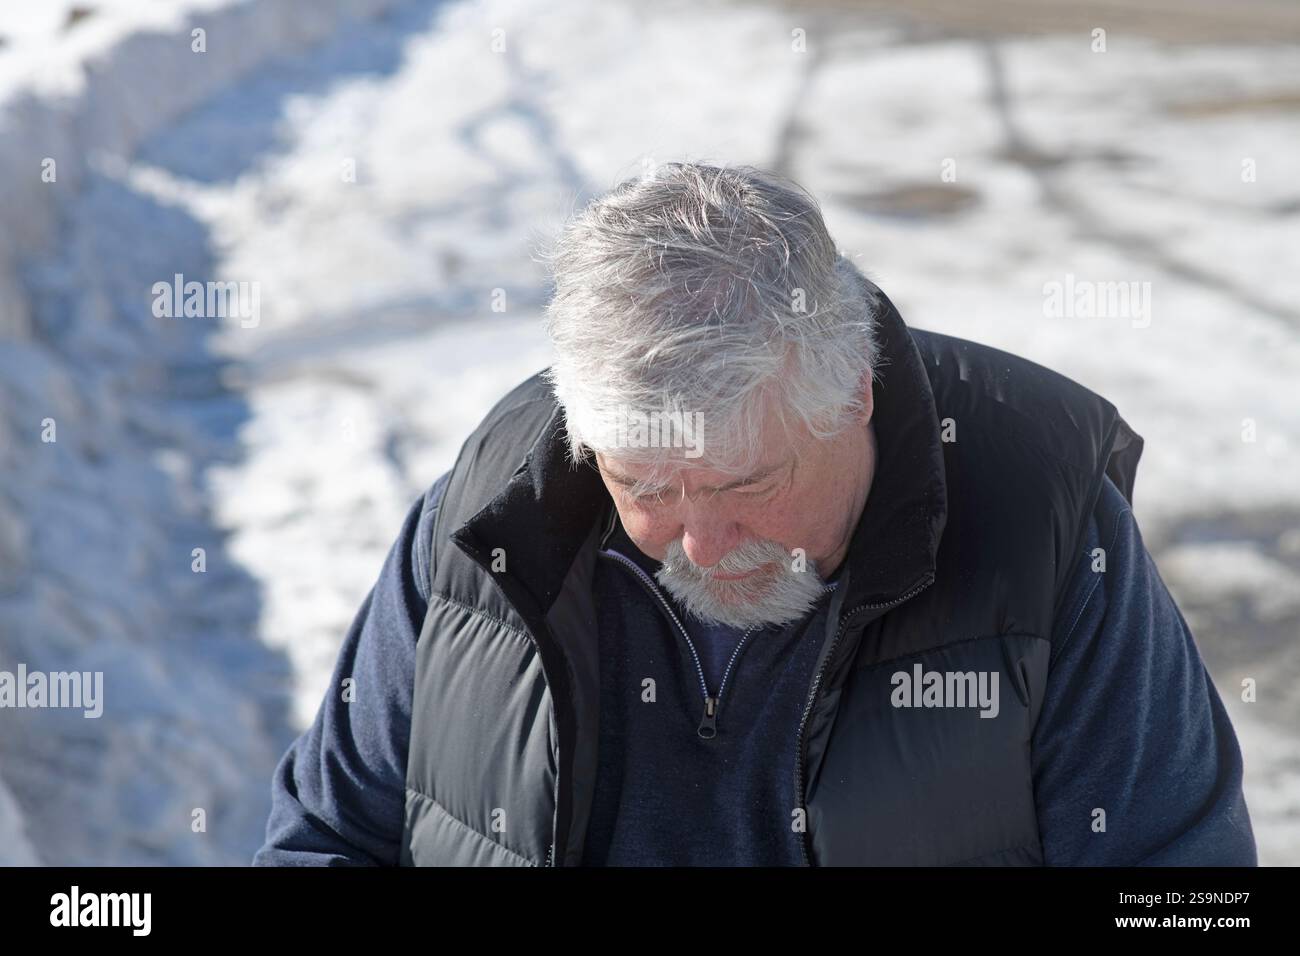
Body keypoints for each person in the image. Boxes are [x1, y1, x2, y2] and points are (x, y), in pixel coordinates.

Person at [254, 162, 1256, 866]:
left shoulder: (1043, 537)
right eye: (643, 487)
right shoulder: (482, 528)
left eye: (745, 484)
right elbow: (330, 838)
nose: (699, 542)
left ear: (853, 390)